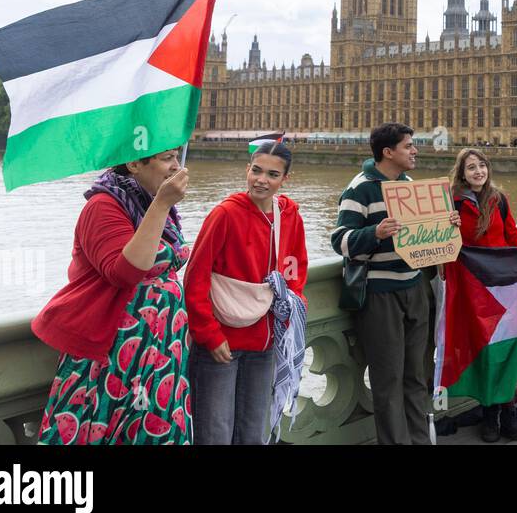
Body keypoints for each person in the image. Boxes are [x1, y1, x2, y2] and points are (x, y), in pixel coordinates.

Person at [33, 148, 193, 444]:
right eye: (167, 158)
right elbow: (124, 273)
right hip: (110, 352)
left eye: (175, 157)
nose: (176, 166)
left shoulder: (148, 202)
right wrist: (161, 204)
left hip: (162, 347)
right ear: (134, 164)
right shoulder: (103, 205)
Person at [331, 123, 460, 444]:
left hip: (414, 288)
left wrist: (447, 223)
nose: (415, 150)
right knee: (388, 380)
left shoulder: (410, 186)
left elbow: (426, 240)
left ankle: (419, 440)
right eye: (408, 146)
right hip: (380, 295)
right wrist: (374, 233)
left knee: (416, 376)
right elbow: (341, 241)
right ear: (388, 152)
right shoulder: (359, 189)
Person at [185, 141, 309, 445]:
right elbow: (195, 277)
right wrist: (209, 335)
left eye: (272, 174)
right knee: (215, 432)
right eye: (256, 170)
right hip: (222, 342)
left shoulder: (289, 217)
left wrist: (291, 307)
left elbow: (295, 271)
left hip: (266, 341)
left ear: (284, 180)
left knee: (254, 430)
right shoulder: (225, 214)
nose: (261, 180)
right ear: (247, 169)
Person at [450, 147, 517, 441]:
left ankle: (508, 411)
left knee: (506, 349)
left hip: (504, 286)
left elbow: (513, 237)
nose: (478, 171)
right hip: (474, 289)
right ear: (462, 173)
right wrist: (445, 226)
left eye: (482, 166)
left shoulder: (498, 199)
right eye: (471, 167)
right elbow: (442, 248)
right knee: (486, 352)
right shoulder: (453, 203)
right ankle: (490, 412)